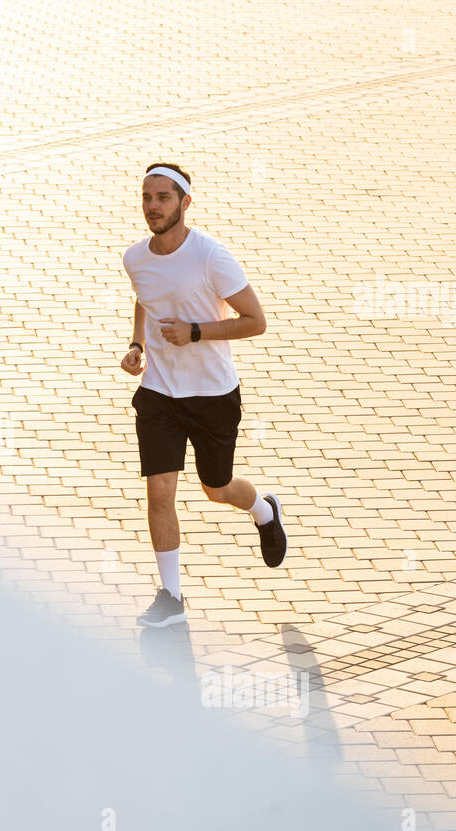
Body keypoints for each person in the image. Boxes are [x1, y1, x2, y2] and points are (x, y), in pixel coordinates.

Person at [121, 163, 287, 627]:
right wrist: (137, 345)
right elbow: (145, 296)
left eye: (164, 197)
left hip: (212, 394)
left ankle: (262, 509)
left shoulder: (212, 257)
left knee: (216, 488)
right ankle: (170, 597)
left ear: (185, 203)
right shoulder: (135, 257)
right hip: (158, 394)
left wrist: (195, 331)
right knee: (159, 492)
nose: (153, 205)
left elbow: (255, 321)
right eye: (147, 196)